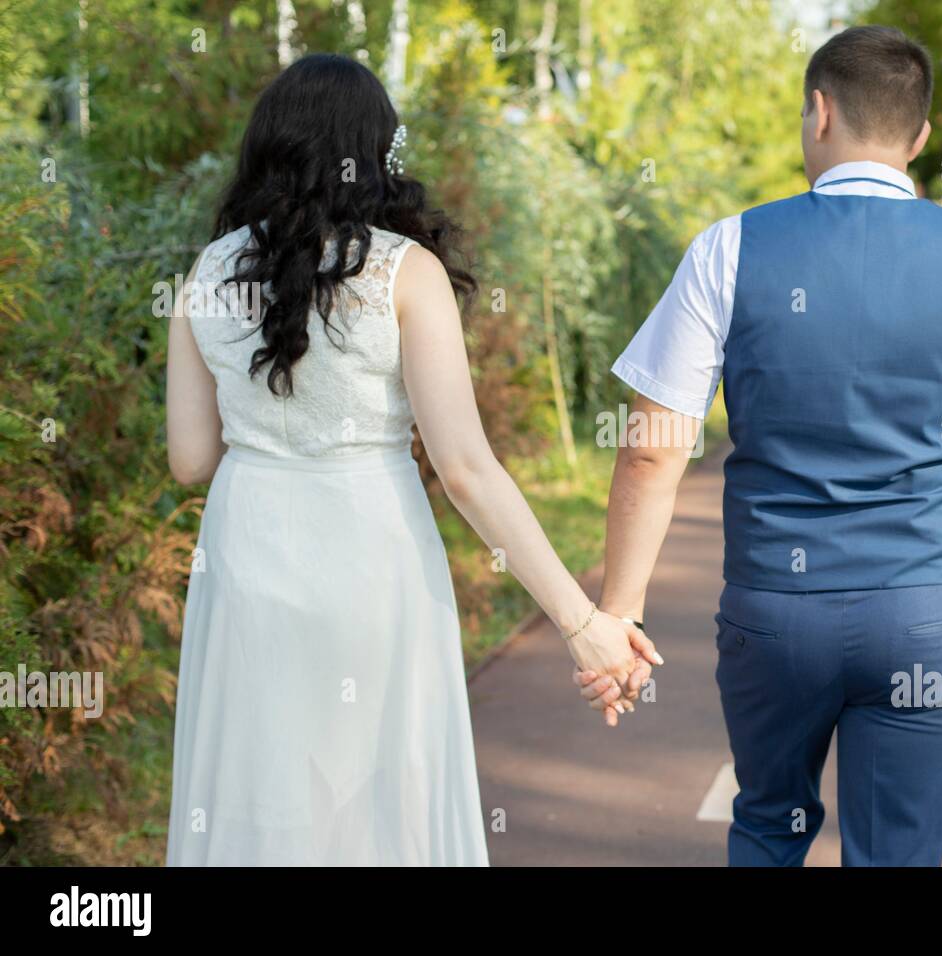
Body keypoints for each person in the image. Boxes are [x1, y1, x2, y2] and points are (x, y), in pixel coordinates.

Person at [576, 25, 942, 867]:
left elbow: (652, 450)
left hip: (776, 615)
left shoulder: (729, 249)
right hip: (923, 616)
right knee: (898, 852)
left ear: (819, 112)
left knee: (769, 825)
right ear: (918, 139)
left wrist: (618, 612)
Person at [164, 53, 657, 866]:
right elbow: (464, 468)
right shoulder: (402, 271)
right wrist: (582, 623)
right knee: (379, 795)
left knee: (258, 785)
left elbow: (190, 459)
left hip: (245, 552)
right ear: (373, 153)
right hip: (371, 555)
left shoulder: (208, 272)